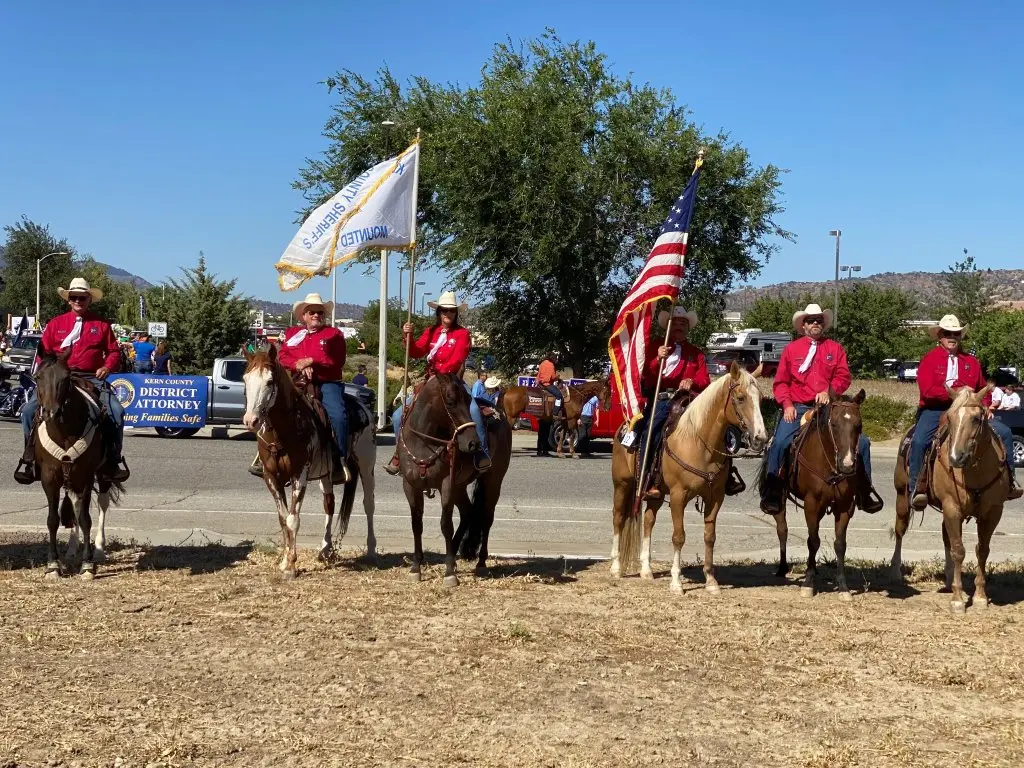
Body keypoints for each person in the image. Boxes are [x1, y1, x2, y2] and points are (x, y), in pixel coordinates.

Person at [761, 303, 883, 514]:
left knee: (861, 443)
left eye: (819, 320)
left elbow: (843, 376)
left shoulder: (834, 349)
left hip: (829, 406)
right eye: (811, 320)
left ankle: (864, 490)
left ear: (823, 324)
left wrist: (829, 391)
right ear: (803, 325)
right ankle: (773, 489)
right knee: (779, 442)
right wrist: (787, 404)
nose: (815, 323)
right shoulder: (791, 350)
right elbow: (781, 382)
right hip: (798, 407)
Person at [14, 277, 130, 485]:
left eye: (82, 297)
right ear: (68, 300)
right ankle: (30, 459)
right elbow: (44, 353)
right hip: (57, 377)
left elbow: (113, 351)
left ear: (89, 300)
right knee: (28, 411)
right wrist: (48, 372)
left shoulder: (101, 325)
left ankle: (112, 460)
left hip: (90, 377)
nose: (78, 301)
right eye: (74, 297)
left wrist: (106, 367)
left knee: (117, 412)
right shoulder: (56, 324)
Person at [908, 315, 1021, 510]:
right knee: (919, 441)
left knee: (1005, 432)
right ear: (940, 336)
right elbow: (927, 390)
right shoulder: (929, 359)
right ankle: (917, 487)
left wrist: (985, 405)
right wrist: (958, 392)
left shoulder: (971, 361)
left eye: (956, 333)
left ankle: (1009, 483)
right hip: (936, 409)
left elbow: (982, 388)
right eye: (947, 333)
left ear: (961, 336)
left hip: (969, 411)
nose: (952, 337)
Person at [250, 293, 350, 484]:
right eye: (312, 312)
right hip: (297, 380)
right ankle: (263, 456)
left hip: (326, 382)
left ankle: (338, 460)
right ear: (303, 315)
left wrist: (312, 360)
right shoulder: (292, 333)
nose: (316, 315)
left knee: (338, 415)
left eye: (320, 312)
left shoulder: (334, 334)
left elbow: (338, 359)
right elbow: (283, 357)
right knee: (271, 408)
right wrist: (298, 364)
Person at [384, 290, 486, 475]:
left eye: (452, 311)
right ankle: (400, 454)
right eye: (444, 310)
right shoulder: (431, 332)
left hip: (452, 381)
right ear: (438, 312)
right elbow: (416, 352)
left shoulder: (462, 334)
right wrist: (408, 337)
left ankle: (481, 453)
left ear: (456, 313)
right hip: (430, 382)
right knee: (399, 415)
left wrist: (440, 376)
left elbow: (457, 359)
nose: (448, 313)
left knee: (473, 410)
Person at [535, 350, 563, 457]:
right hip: (547, 384)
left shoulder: (542, 363)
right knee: (559, 395)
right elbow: (552, 377)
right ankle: (556, 411)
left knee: (542, 429)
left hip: (541, 385)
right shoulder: (550, 364)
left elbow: (539, 375)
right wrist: (558, 377)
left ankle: (540, 449)